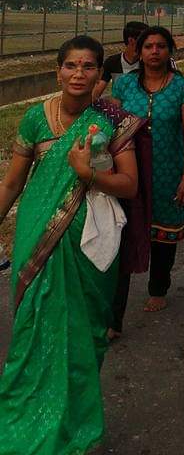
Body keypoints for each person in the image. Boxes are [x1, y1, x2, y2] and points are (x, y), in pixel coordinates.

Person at [0, 36, 141, 454]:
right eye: (71, 66)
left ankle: (75, 425)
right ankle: (22, 421)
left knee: (82, 339)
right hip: (35, 239)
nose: (79, 74)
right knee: (30, 335)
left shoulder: (110, 122)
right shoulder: (34, 120)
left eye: (88, 67)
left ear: (101, 74)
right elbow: (12, 183)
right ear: (57, 71)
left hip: (88, 246)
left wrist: (88, 172)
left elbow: (128, 185)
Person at [110, 27, 184, 325]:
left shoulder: (183, 88)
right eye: (148, 46)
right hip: (128, 172)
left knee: (164, 236)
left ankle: (158, 287)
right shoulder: (124, 87)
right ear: (139, 51)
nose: (154, 51)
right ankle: (114, 314)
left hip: (168, 171)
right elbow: (114, 129)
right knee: (122, 233)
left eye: (161, 46)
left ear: (169, 50)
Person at [93, 20, 149, 99]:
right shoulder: (112, 62)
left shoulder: (148, 63)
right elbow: (96, 93)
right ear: (131, 40)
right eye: (145, 40)